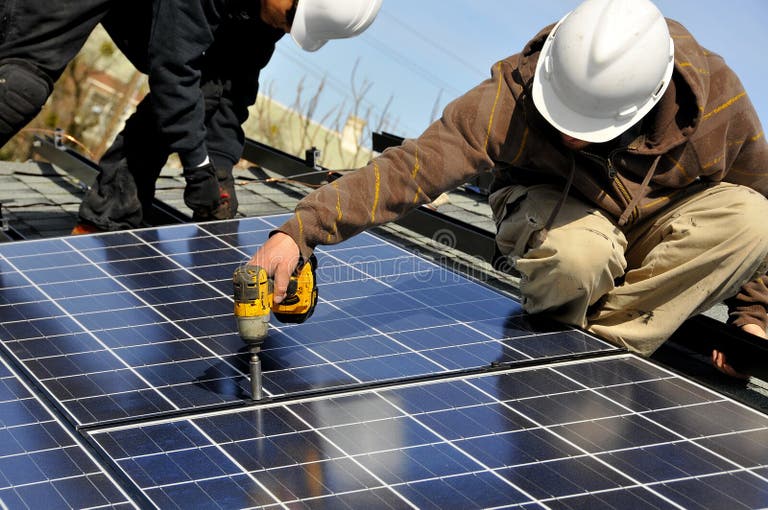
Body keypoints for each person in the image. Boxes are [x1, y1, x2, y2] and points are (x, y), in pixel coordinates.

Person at [249, 0, 768, 378]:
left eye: (585, 126)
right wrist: (300, 231)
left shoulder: (717, 102)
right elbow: (413, 167)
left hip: (652, 226)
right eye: (561, 113)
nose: (566, 135)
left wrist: (752, 319)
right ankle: (564, 345)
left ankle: (597, 356)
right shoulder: (515, 91)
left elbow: (753, 196)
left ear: (648, 106)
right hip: (559, 214)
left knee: (754, 218)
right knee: (578, 256)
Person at [0, 0, 382, 228]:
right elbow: (172, 69)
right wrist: (196, 166)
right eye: (290, 17)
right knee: (19, 85)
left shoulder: (268, 17)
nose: (285, 28)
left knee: (211, 85)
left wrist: (219, 170)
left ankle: (109, 213)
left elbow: (232, 93)